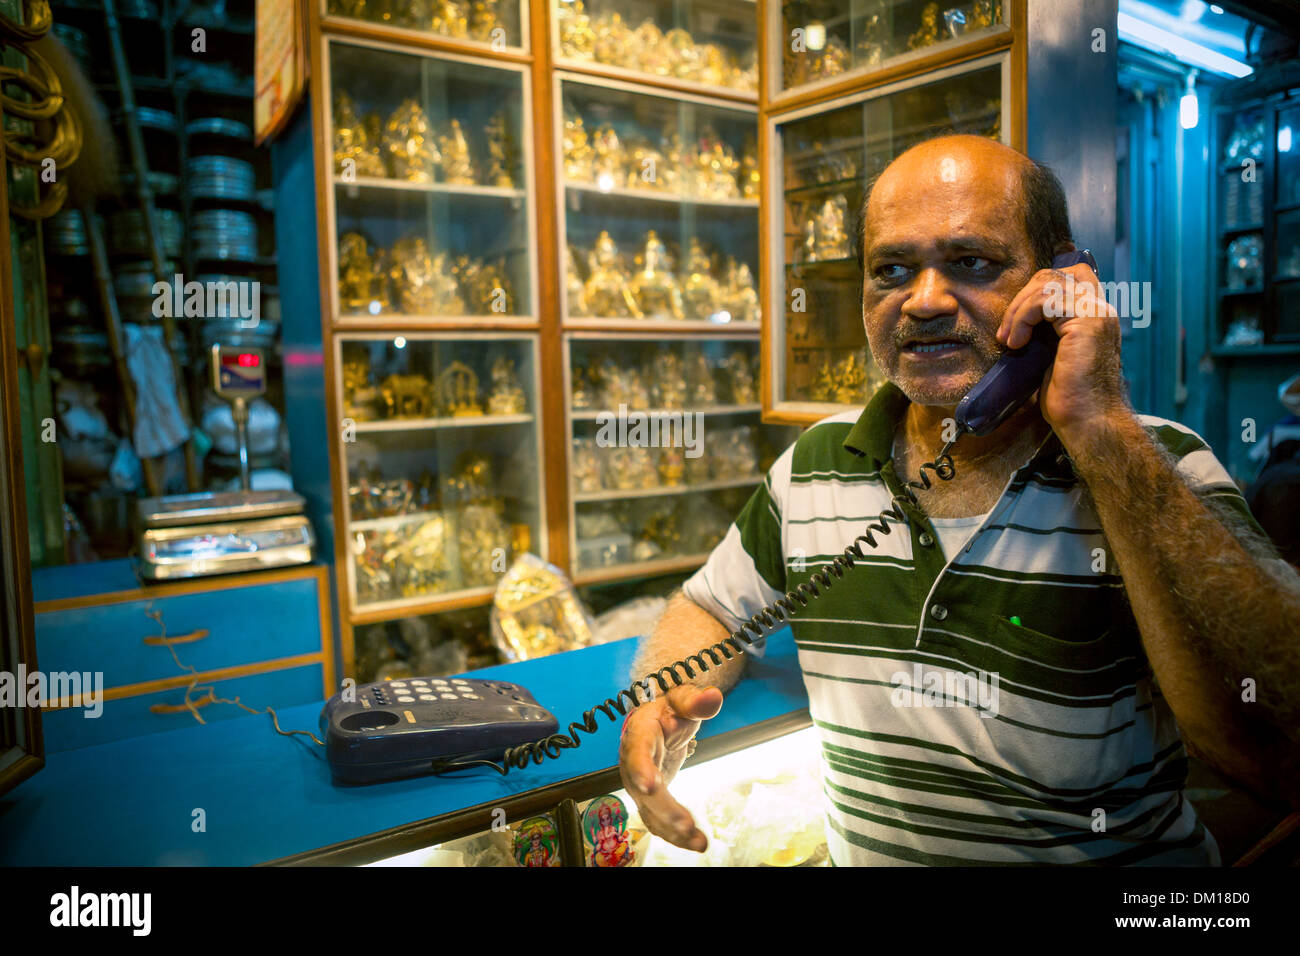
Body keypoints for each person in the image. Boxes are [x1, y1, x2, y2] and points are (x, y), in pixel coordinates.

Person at [618, 134, 1300, 865]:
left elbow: (1265, 747)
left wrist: (1100, 432)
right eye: (892, 269)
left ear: (1061, 279)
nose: (926, 300)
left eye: (971, 262)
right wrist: (661, 699)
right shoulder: (813, 466)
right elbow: (714, 609)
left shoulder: (1161, 466)